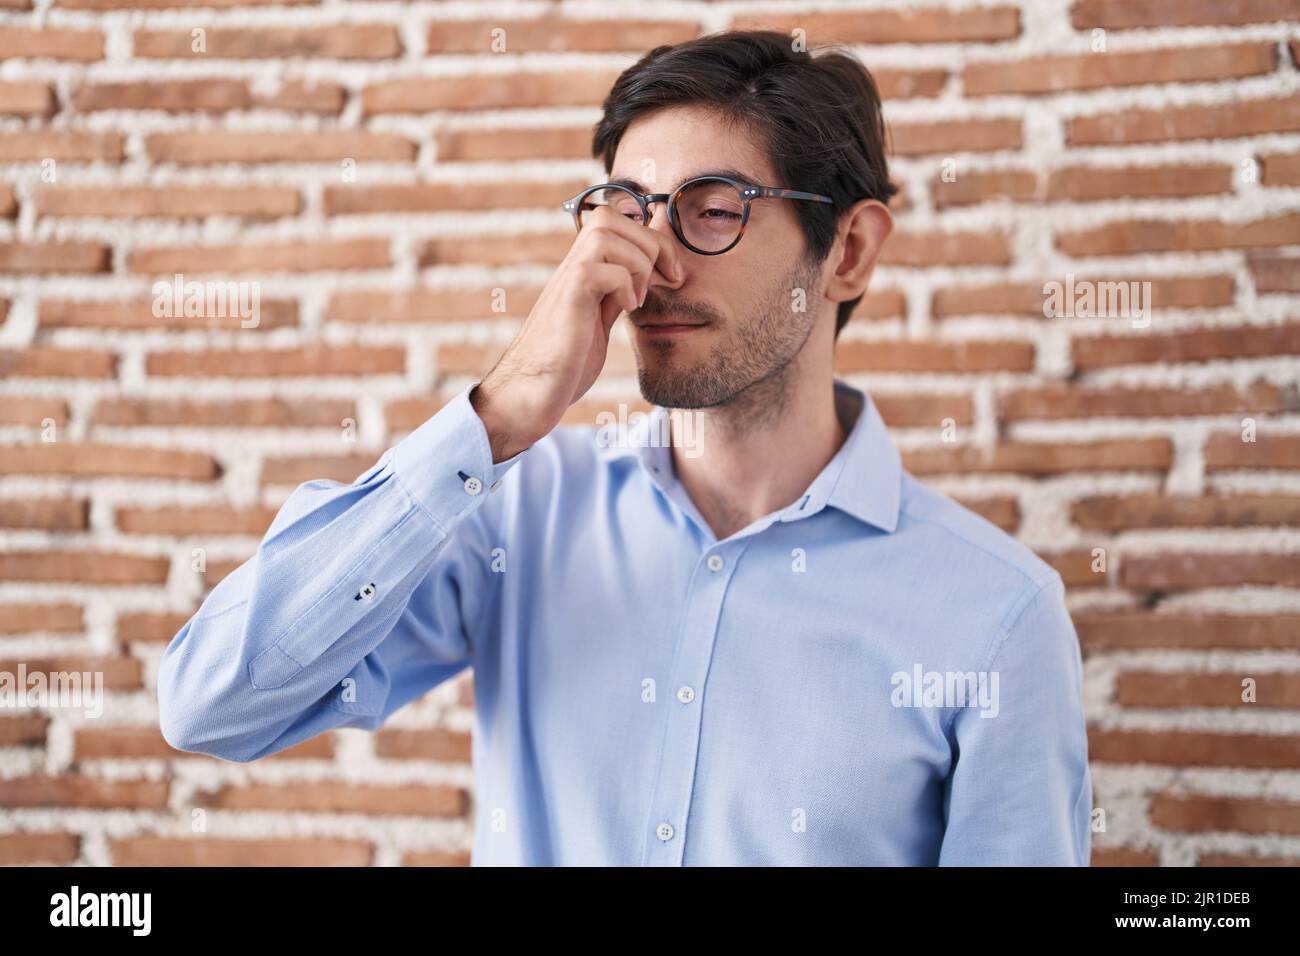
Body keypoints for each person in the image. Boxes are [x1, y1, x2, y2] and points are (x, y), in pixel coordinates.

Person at [158, 30, 1092, 866]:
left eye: (714, 209)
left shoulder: (995, 615)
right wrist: (494, 419)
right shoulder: (514, 511)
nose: (656, 264)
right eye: (629, 209)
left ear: (846, 252)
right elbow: (214, 702)